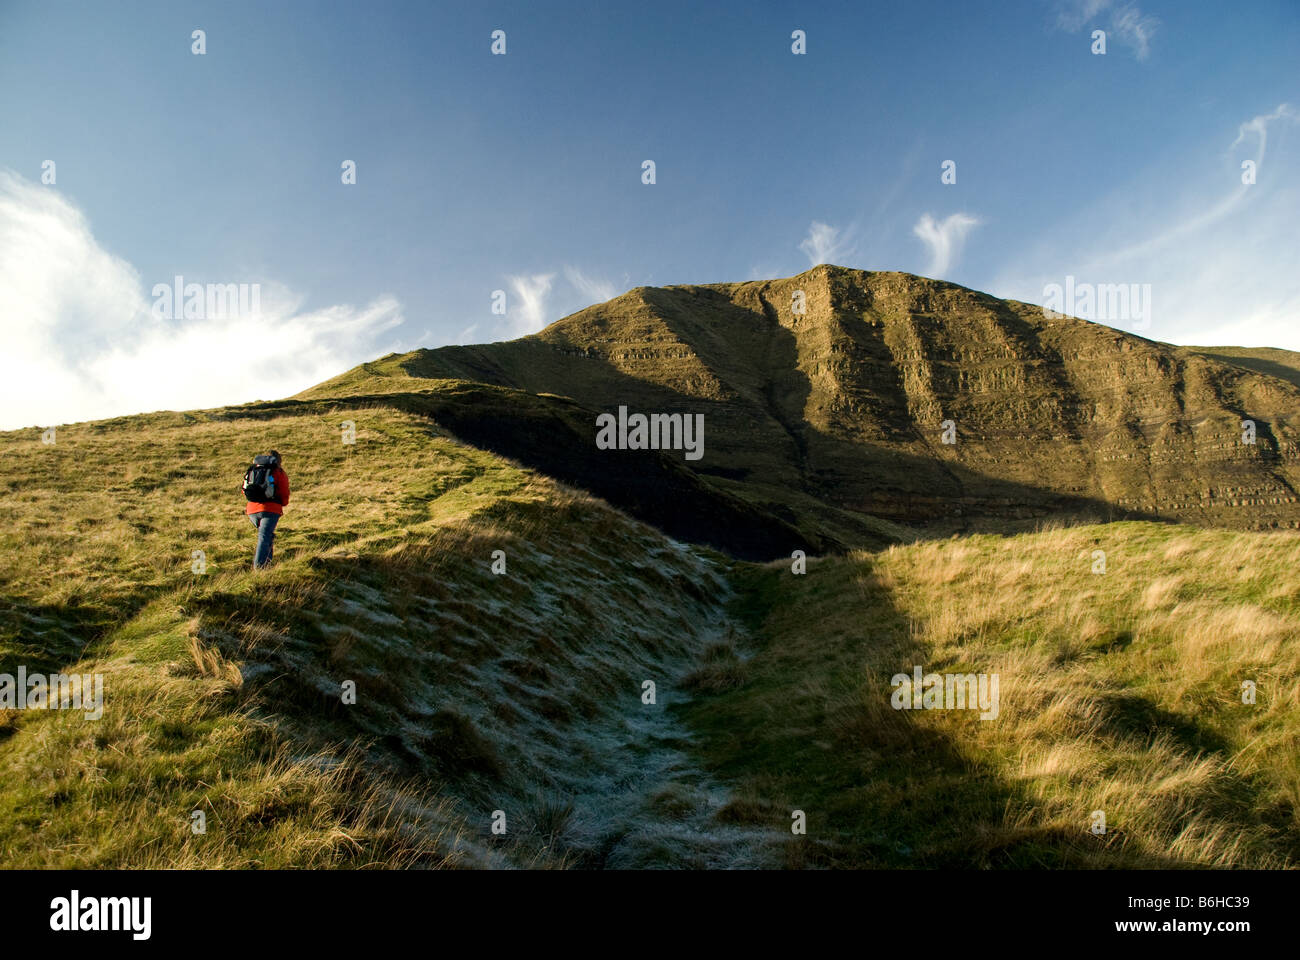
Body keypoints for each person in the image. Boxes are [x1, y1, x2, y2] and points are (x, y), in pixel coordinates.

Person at [244, 449, 290, 569]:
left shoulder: (253, 470)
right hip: (270, 510)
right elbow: (284, 492)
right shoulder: (278, 472)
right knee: (264, 536)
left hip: (252, 510)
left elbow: (245, 489)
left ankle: (267, 565)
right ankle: (259, 568)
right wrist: (282, 503)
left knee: (266, 535)